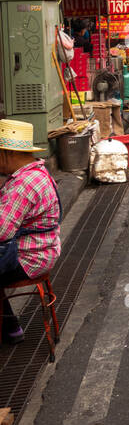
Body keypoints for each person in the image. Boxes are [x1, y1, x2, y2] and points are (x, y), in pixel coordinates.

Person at [0, 121, 61, 345]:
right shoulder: (37, 172)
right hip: (43, 250)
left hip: (30, 257)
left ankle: (10, 328)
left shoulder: (23, 184)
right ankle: (11, 329)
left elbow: (2, 232)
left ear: (8, 153)